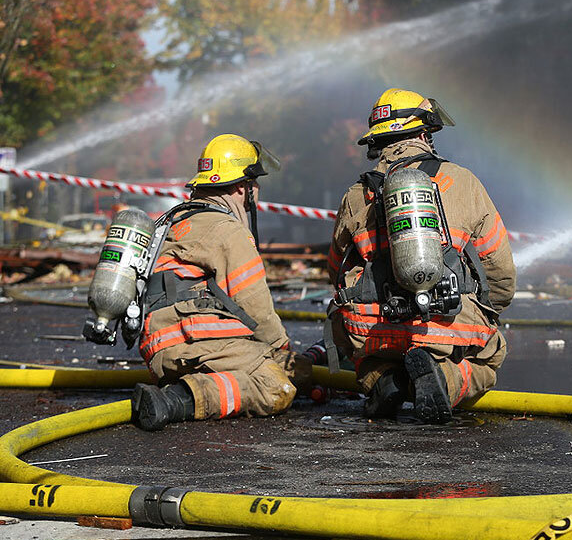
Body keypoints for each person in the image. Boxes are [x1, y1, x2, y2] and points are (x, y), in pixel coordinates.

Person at [325, 88, 516, 424]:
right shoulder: (462, 181)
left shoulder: (356, 195)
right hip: (445, 323)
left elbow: (337, 272)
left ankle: (383, 378)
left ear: (378, 140)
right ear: (425, 133)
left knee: (339, 319)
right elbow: (500, 271)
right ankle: (443, 379)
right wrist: (486, 312)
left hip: (374, 329)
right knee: (492, 353)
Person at [132, 133, 311, 431]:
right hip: (194, 343)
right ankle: (174, 401)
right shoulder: (227, 231)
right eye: (255, 184)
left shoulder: (173, 222)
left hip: (162, 351)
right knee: (275, 388)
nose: (257, 191)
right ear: (242, 188)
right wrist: (281, 348)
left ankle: (181, 389)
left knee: (299, 370)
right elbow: (256, 307)